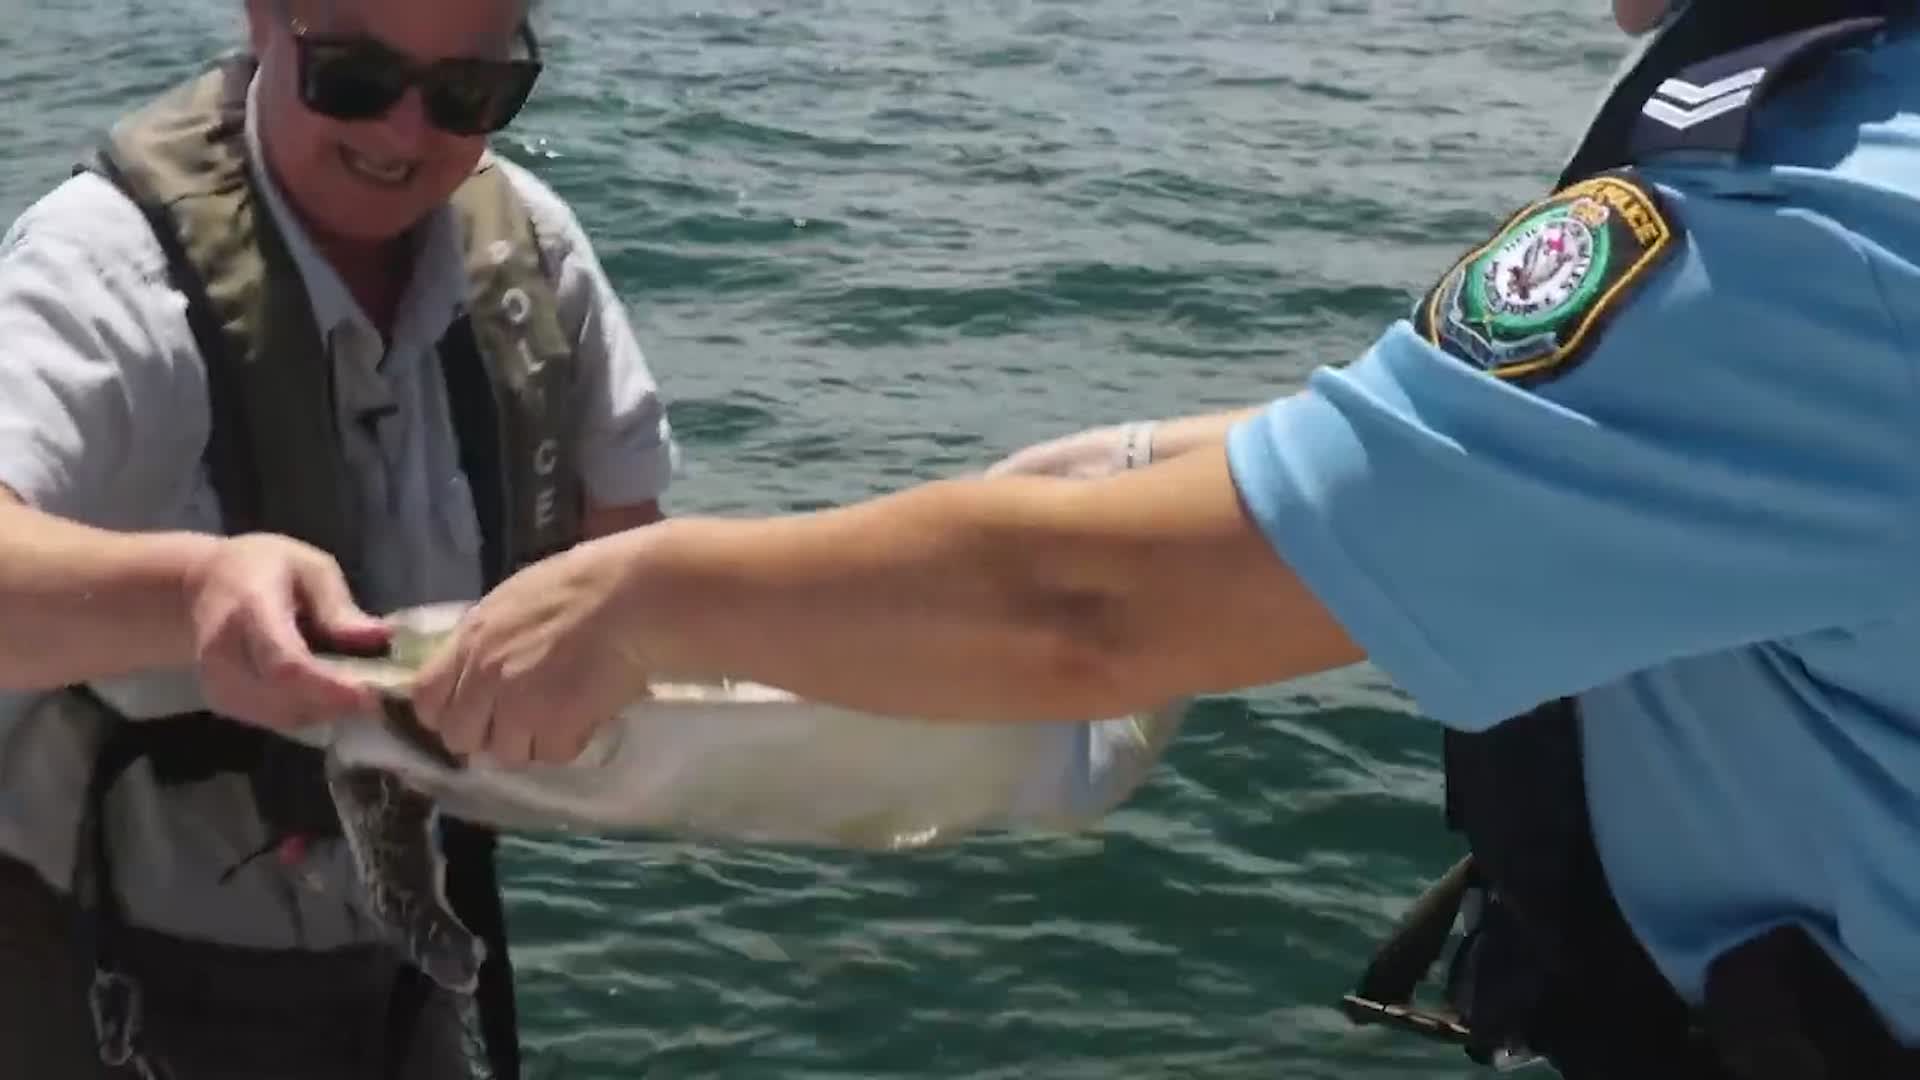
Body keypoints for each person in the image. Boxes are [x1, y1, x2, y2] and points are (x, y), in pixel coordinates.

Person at [409, 0, 1920, 1077]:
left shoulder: (1800, 230)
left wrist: (644, 597)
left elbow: (1092, 614)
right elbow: (1599, 445)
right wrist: (1146, 464)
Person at [0, 0, 676, 1076]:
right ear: (261, 21)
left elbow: (637, 571)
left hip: (406, 956)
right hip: (100, 954)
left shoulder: (532, 256)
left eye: (465, 94)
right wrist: (196, 595)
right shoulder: (106, 273)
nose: (405, 134)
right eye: (355, 78)